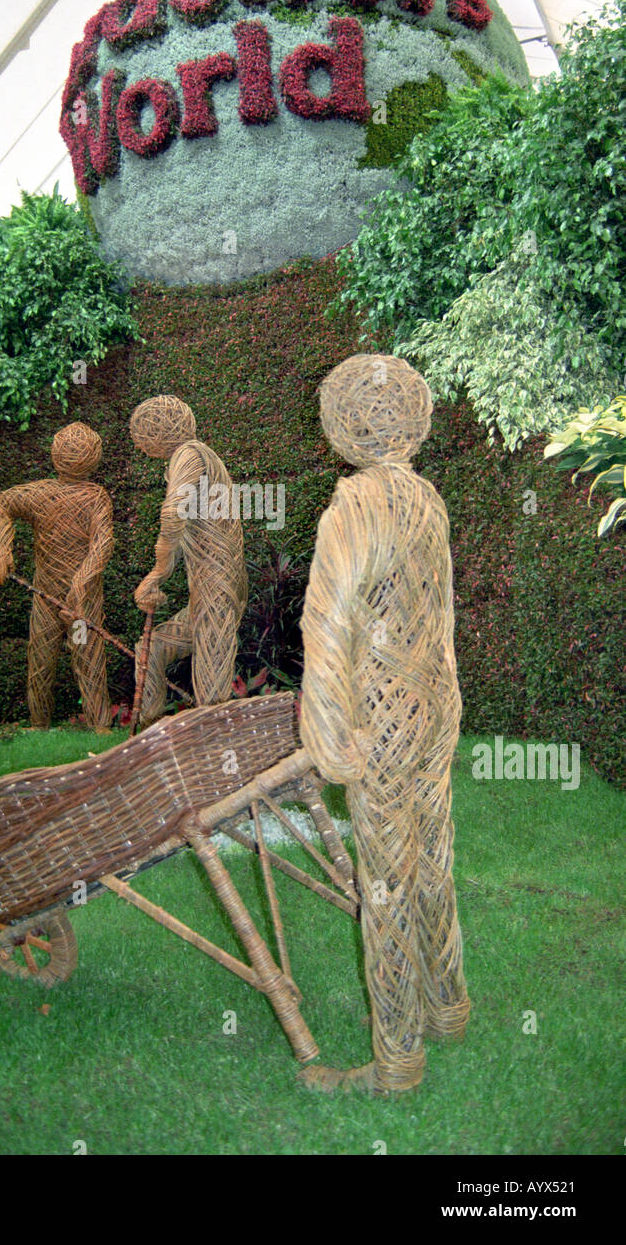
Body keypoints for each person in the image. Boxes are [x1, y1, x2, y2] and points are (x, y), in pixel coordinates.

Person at [299, 354, 470, 1095]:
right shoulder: (425, 498)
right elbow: (437, 617)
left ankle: (396, 1061)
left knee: (387, 880)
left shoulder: (354, 506)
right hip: (431, 706)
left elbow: (330, 623)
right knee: (430, 853)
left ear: (339, 428)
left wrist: (331, 728)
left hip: (379, 714)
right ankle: (447, 1005)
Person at [129, 395, 248, 726]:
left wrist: (158, 571)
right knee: (150, 648)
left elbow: (172, 513)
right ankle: (152, 737)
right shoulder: (200, 457)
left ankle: (213, 748)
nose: (140, 444)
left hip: (217, 588)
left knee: (212, 685)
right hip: (209, 592)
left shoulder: (189, 454)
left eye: (144, 434)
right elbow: (184, 525)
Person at [0, 421, 113, 729]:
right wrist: (2, 550)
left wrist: (81, 585)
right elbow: (1, 504)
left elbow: (102, 545)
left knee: (88, 659)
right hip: (47, 596)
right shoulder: (45, 494)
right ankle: (38, 725)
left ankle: (100, 727)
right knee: (41, 660)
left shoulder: (95, 497)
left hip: (81, 602)